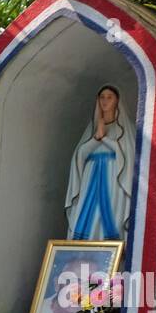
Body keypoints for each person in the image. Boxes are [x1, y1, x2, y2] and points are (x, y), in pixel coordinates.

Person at [64, 85, 136, 241]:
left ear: (117, 100)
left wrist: (104, 138)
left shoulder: (126, 129)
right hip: (91, 177)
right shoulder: (92, 128)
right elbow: (80, 155)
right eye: (102, 97)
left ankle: (111, 254)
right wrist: (97, 137)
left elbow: (127, 156)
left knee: (111, 215)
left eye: (109, 97)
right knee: (86, 216)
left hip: (113, 178)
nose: (105, 101)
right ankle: (82, 255)